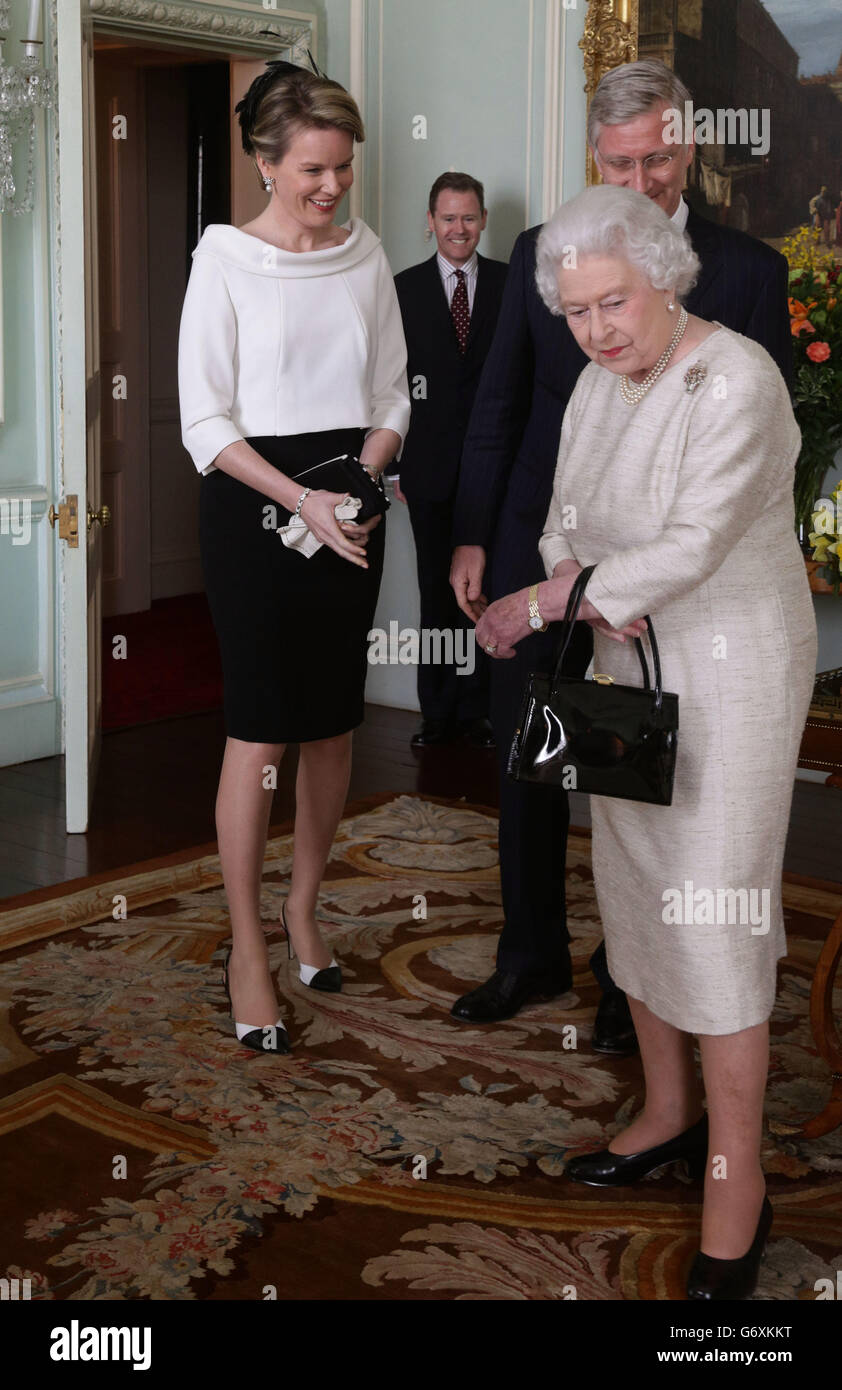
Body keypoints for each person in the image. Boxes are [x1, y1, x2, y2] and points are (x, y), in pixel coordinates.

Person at [476, 182, 816, 1300]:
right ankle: (667, 1113)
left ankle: (735, 1175)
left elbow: (695, 539)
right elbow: (562, 520)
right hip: (624, 664)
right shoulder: (591, 383)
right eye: (573, 311)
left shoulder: (737, 378)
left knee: (711, 909)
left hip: (729, 675)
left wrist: (550, 600)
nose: (594, 331)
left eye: (611, 302)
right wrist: (582, 583)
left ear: (663, 274)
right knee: (632, 886)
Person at [448, 58, 793, 1053]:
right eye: (614, 163)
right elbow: (504, 407)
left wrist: (615, 586)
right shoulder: (543, 254)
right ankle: (533, 953)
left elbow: (743, 471)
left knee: (661, 798)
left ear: (684, 144)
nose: (635, 182)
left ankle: (629, 981)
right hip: (549, 547)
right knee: (548, 758)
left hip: (678, 586)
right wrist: (489, 539)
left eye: (651, 160)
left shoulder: (745, 276)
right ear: (590, 156)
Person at [177, 61, 409, 1053]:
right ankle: (245, 945)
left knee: (329, 721)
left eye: (342, 169)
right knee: (263, 728)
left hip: (350, 499)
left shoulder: (365, 255)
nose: (330, 188)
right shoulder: (222, 259)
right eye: (313, 168)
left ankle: (304, 907)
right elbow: (204, 419)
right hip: (255, 505)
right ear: (264, 162)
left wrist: (355, 486)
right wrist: (300, 501)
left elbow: (396, 394)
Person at [391, 173, 508, 748]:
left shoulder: (514, 286)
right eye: (448, 218)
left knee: (489, 590)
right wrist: (393, 467)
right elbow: (384, 386)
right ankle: (438, 712)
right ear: (430, 222)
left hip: (498, 477)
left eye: (469, 217)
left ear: (483, 220)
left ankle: (483, 708)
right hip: (428, 474)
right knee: (437, 593)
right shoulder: (401, 290)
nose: (458, 229)